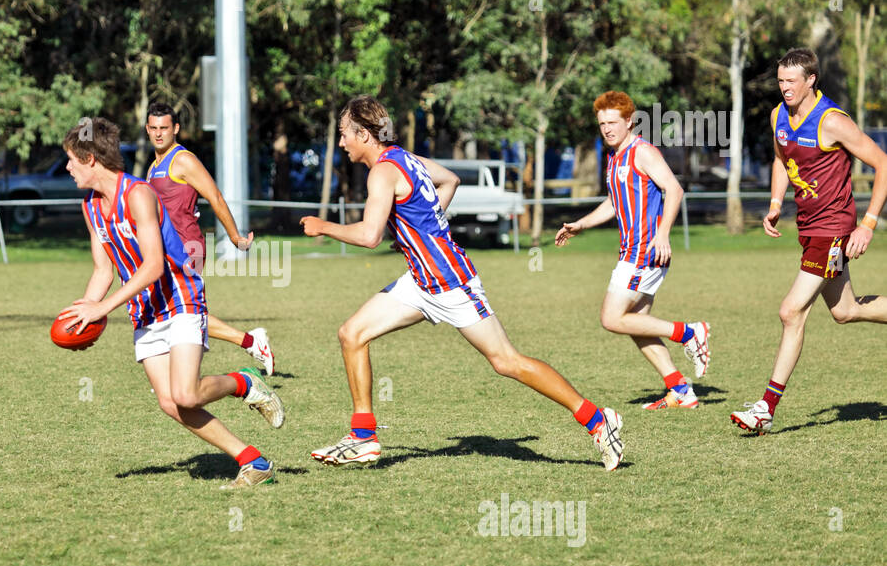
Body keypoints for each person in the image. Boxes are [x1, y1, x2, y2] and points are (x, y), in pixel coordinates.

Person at [300, 95, 625, 471]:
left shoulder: (381, 172)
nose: (342, 142)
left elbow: (370, 235)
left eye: (344, 134)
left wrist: (323, 226)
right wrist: (421, 229)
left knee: (507, 362)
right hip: (420, 282)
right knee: (352, 334)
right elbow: (449, 180)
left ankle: (598, 420)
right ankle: (362, 437)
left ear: (364, 134)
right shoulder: (403, 157)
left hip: (451, 282)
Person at [58, 117, 284, 489]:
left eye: (71, 159)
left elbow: (153, 266)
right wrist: (83, 314)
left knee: (186, 393)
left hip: (180, 297)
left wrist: (102, 308)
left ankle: (244, 382)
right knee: (171, 403)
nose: (67, 168)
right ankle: (254, 462)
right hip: (144, 311)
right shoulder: (91, 207)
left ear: (90, 159)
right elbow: (102, 270)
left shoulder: (138, 194)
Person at [731, 48, 887, 434]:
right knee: (844, 311)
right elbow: (782, 160)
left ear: (811, 80)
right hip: (809, 227)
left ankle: (765, 409)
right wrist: (774, 203)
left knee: (791, 311)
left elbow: (883, 162)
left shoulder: (832, 121)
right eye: (780, 81)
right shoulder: (778, 116)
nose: (784, 87)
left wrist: (867, 224)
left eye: (791, 81)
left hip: (833, 228)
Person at [555, 91, 711, 409]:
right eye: (602, 124)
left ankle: (690, 333)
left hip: (645, 252)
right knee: (636, 323)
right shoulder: (614, 158)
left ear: (630, 121)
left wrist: (663, 234)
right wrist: (581, 225)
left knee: (611, 318)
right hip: (631, 252)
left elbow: (674, 190)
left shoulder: (643, 152)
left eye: (613, 122)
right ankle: (680, 389)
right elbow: (614, 202)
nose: (607, 129)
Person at [144, 102, 275, 375]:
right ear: (147, 129)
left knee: (184, 312)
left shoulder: (183, 160)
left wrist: (235, 237)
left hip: (186, 247)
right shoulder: (152, 167)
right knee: (172, 310)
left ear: (175, 128)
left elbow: (215, 196)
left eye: (164, 128)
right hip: (163, 249)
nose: (158, 133)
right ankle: (250, 342)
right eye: (154, 128)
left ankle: (247, 344)